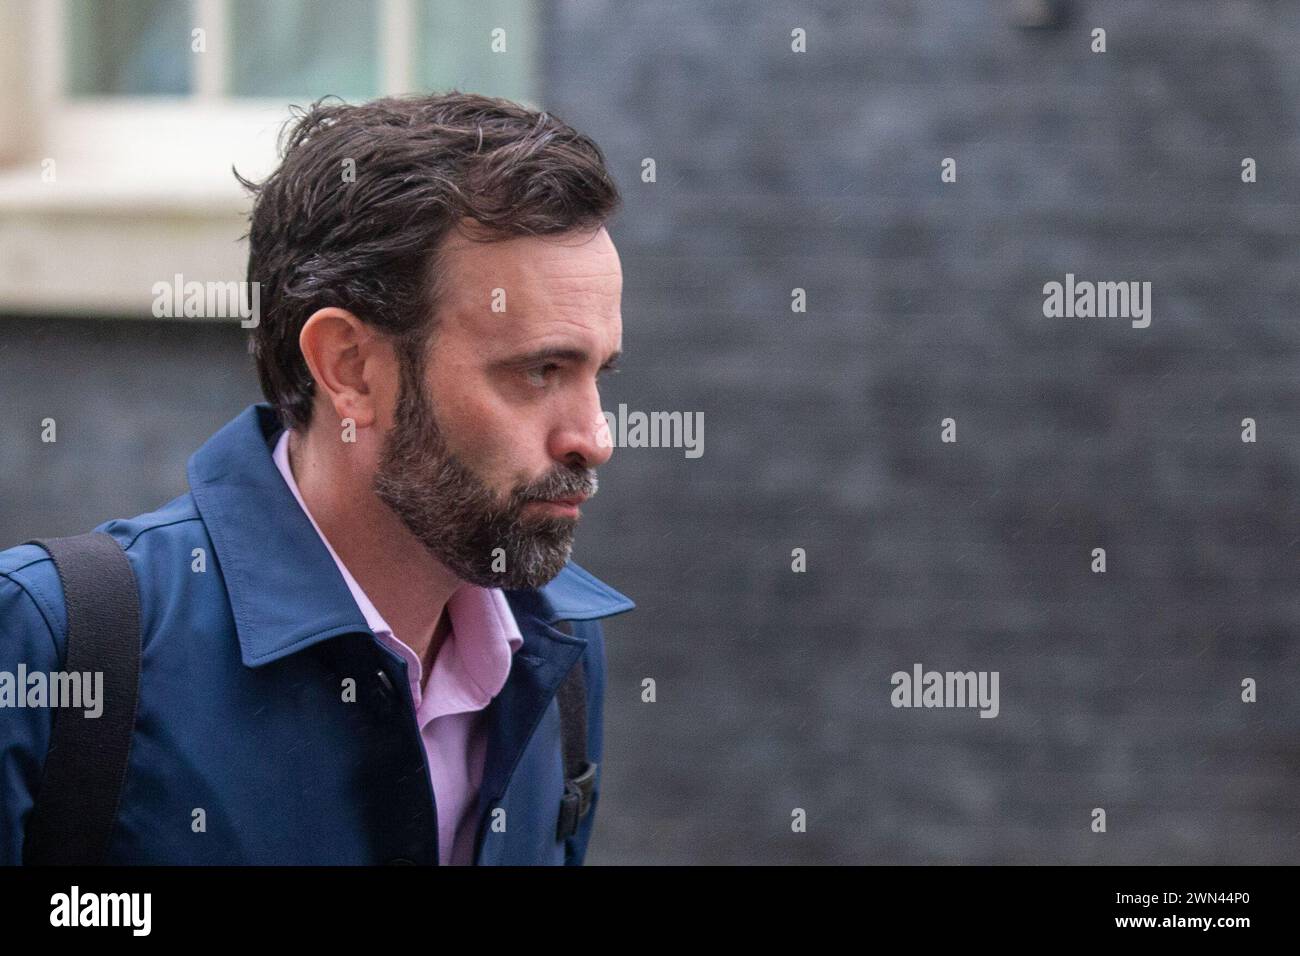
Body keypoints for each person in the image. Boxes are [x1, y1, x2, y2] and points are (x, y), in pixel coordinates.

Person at [0, 91, 633, 865]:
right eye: (539, 371)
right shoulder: (53, 645)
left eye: (599, 373)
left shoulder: (560, 646)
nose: (595, 438)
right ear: (350, 368)